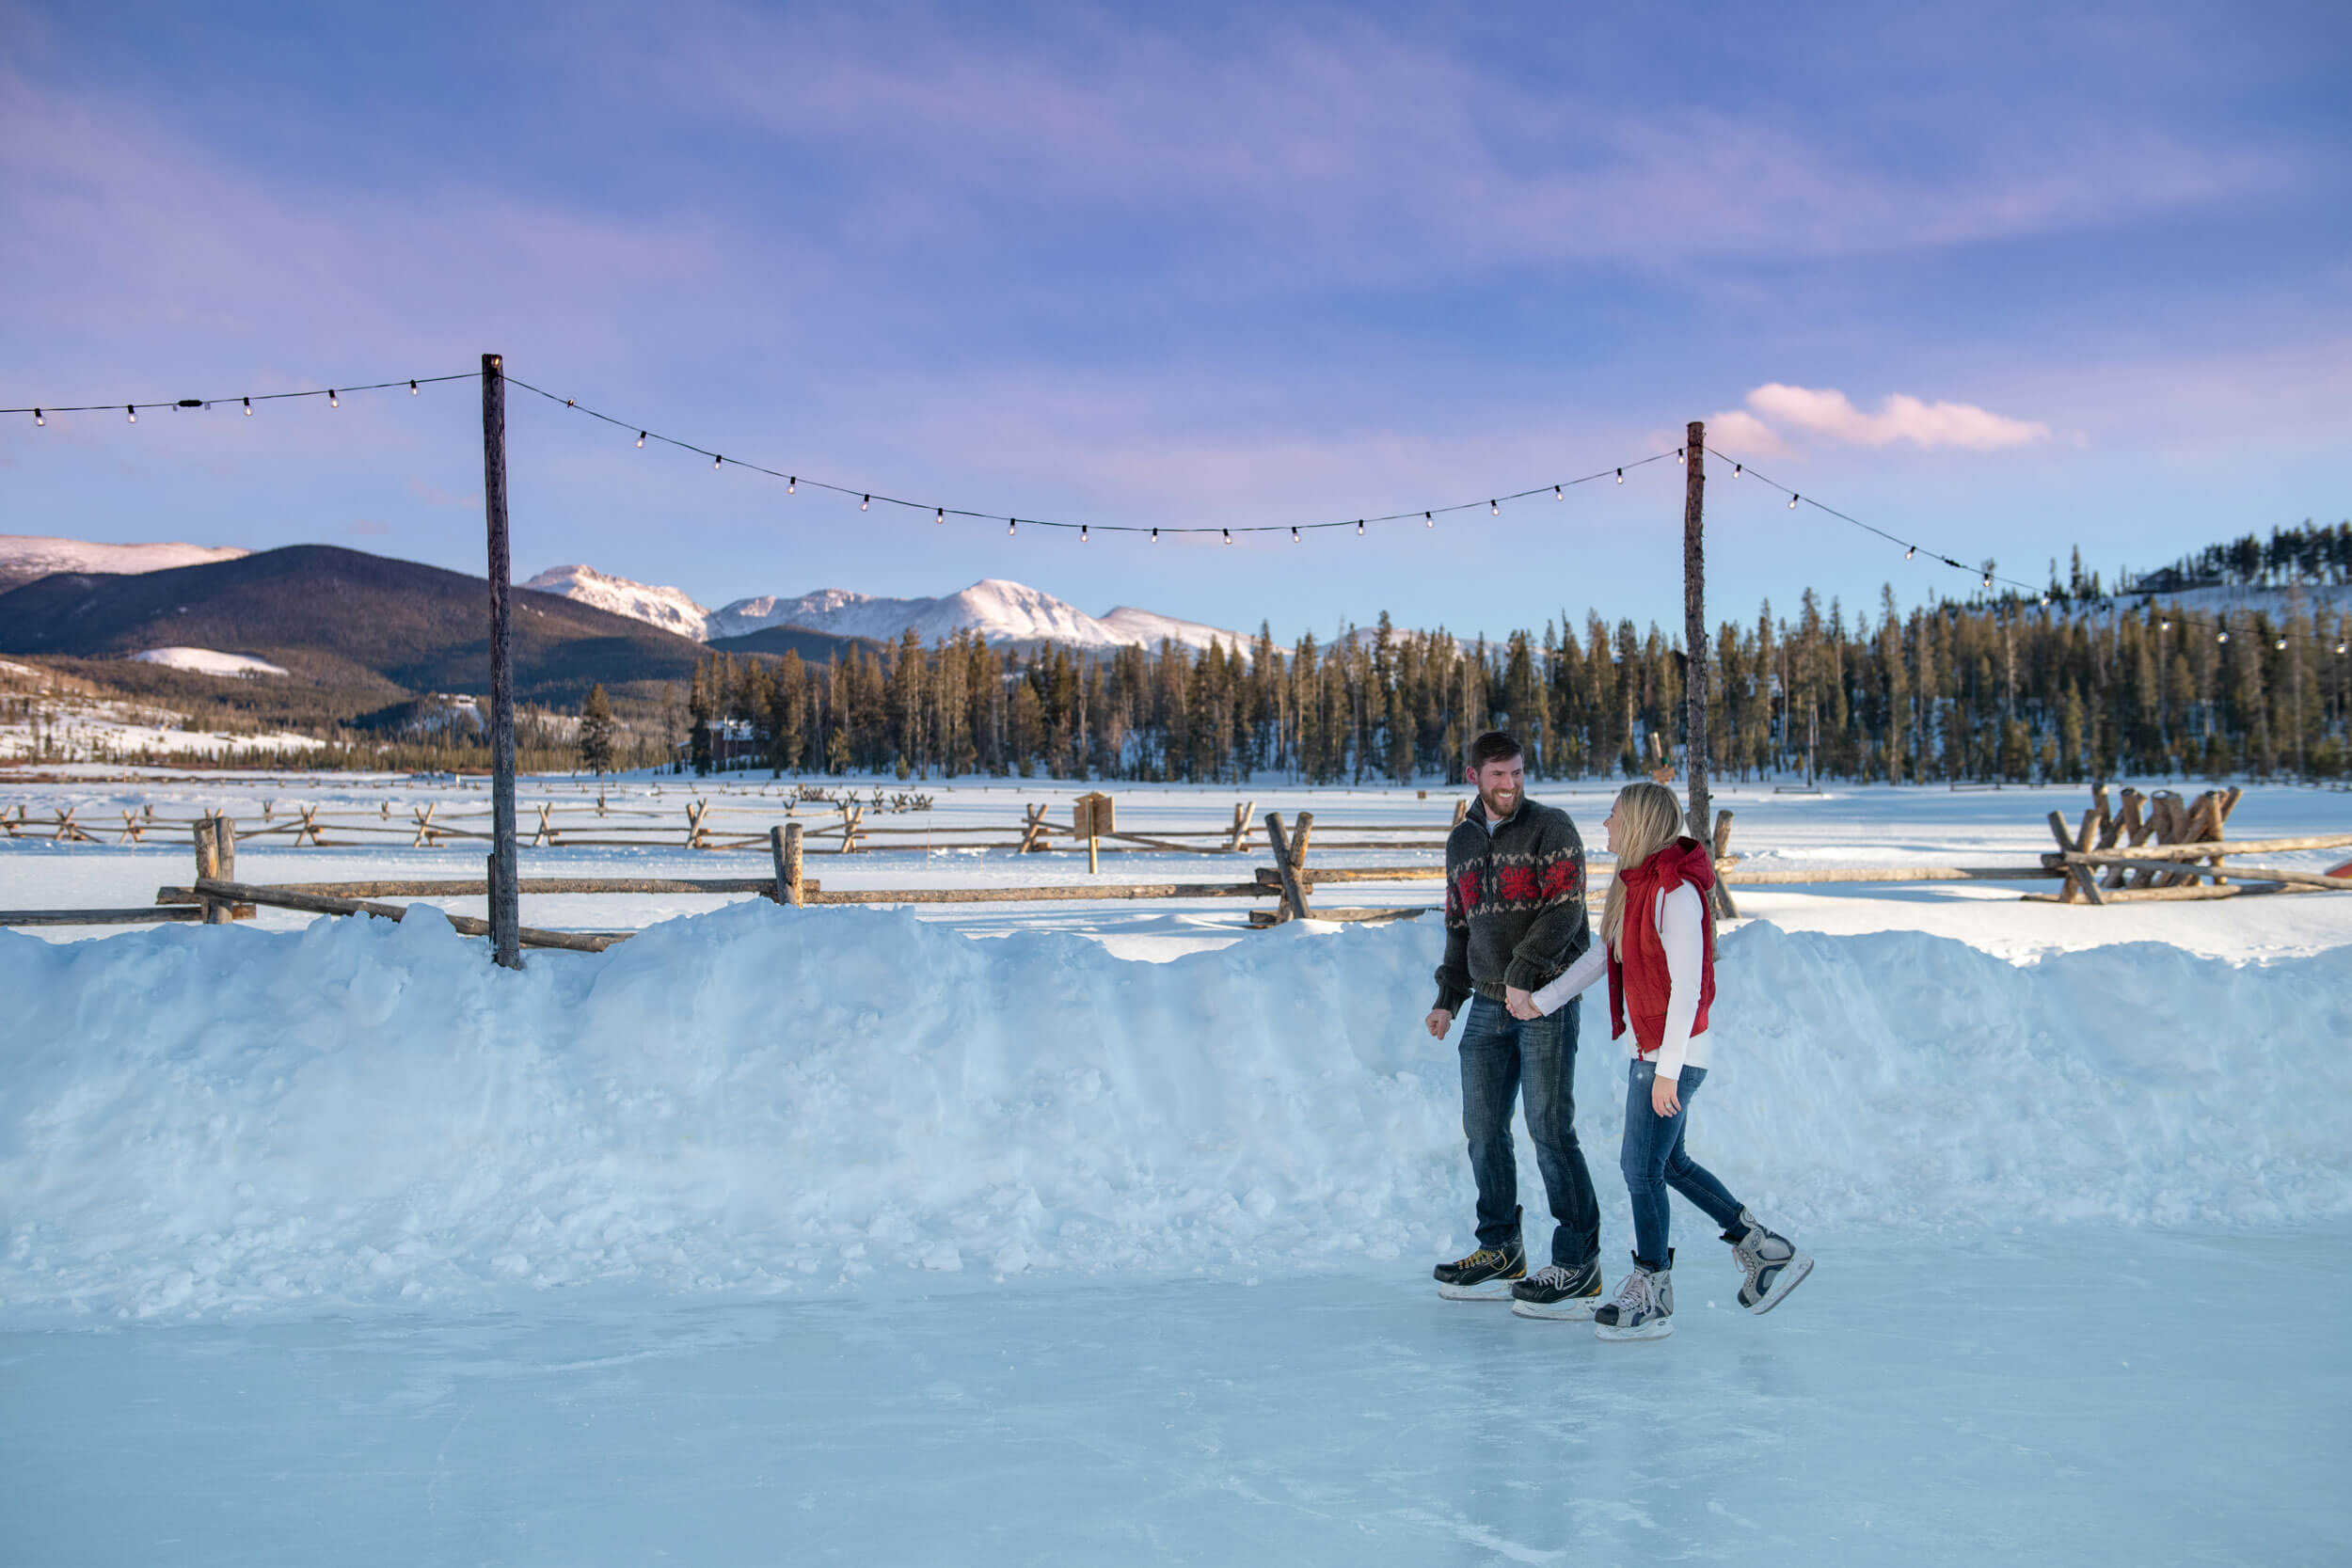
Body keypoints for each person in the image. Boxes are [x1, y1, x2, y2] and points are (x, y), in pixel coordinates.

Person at [1510, 780, 1811, 1340]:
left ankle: (1653, 1286)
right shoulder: (1637, 886)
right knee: (1668, 1164)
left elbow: (1688, 987)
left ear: (1640, 821)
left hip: (1672, 1054)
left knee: (1640, 1168)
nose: (1605, 824)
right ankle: (1764, 1249)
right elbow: (1605, 956)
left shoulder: (1677, 894)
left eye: (1614, 815)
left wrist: (1667, 1069)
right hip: (1656, 1053)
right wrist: (1541, 1002)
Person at [1425, 731, 1605, 1311]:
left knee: (1550, 1130)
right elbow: (1460, 926)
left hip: (1546, 1000)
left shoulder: (1551, 828)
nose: (1509, 785)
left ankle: (1579, 1262)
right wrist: (1447, 998)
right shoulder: (1460, 842)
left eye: (1517, 774)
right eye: (1498, 775)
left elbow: (1566, 908)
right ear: (1473, 776)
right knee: (1483, 1131)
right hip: (1484, 1005)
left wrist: (1527, 973)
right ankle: (1501, 1246)